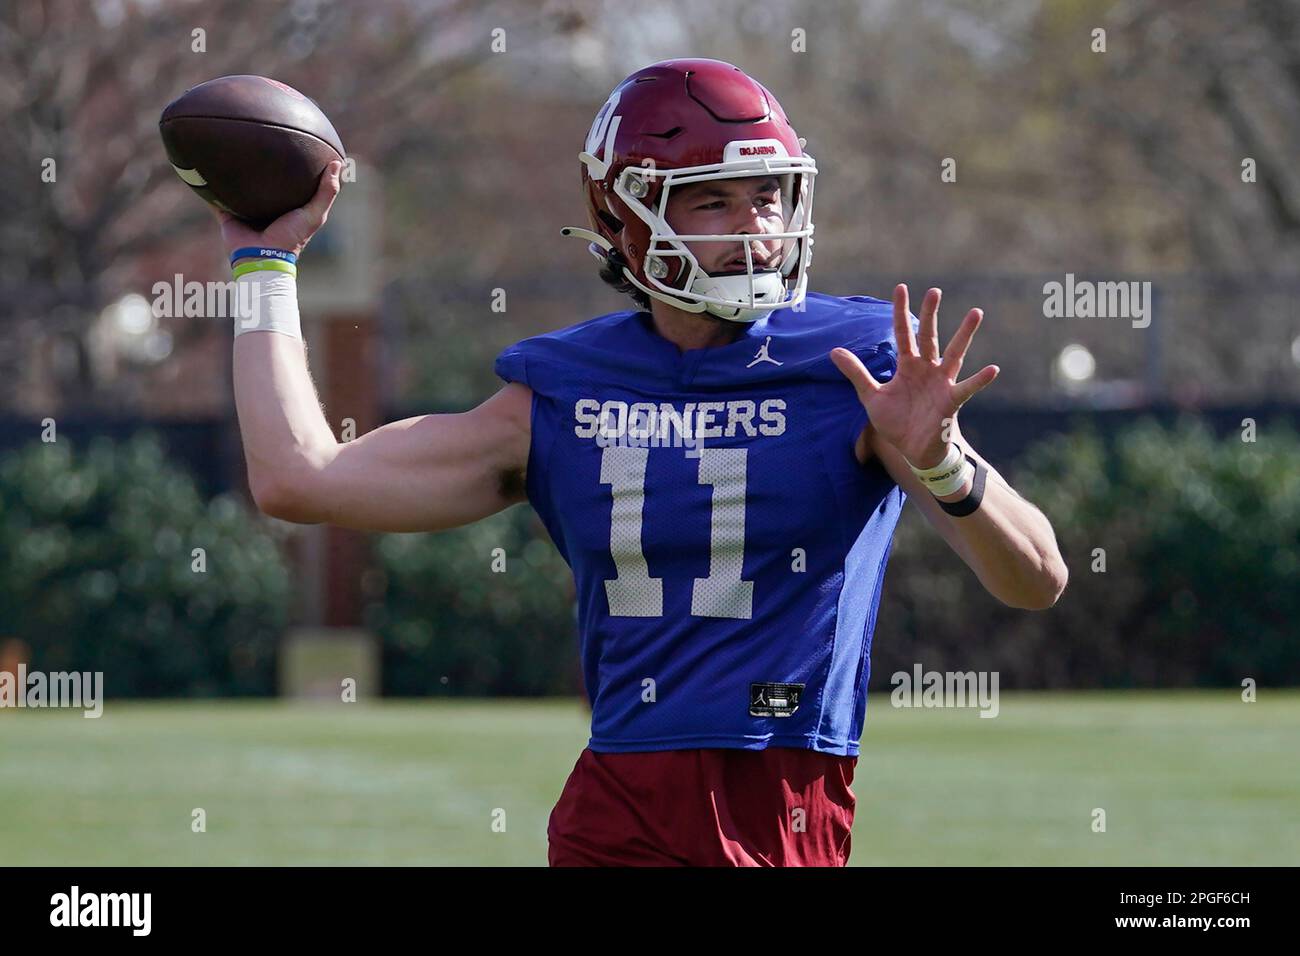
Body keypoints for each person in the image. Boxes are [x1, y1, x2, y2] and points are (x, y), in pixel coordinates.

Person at [214, 57, 1067, 867]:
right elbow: (299, 477)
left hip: (780, 794)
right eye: (715, 202)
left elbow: (1038, 579)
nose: (757, 229)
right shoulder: (562, 389)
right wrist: (264, 263)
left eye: (770, 197)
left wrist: (944, 464)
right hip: (617, 802)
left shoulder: (853, 370)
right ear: (625, 218)